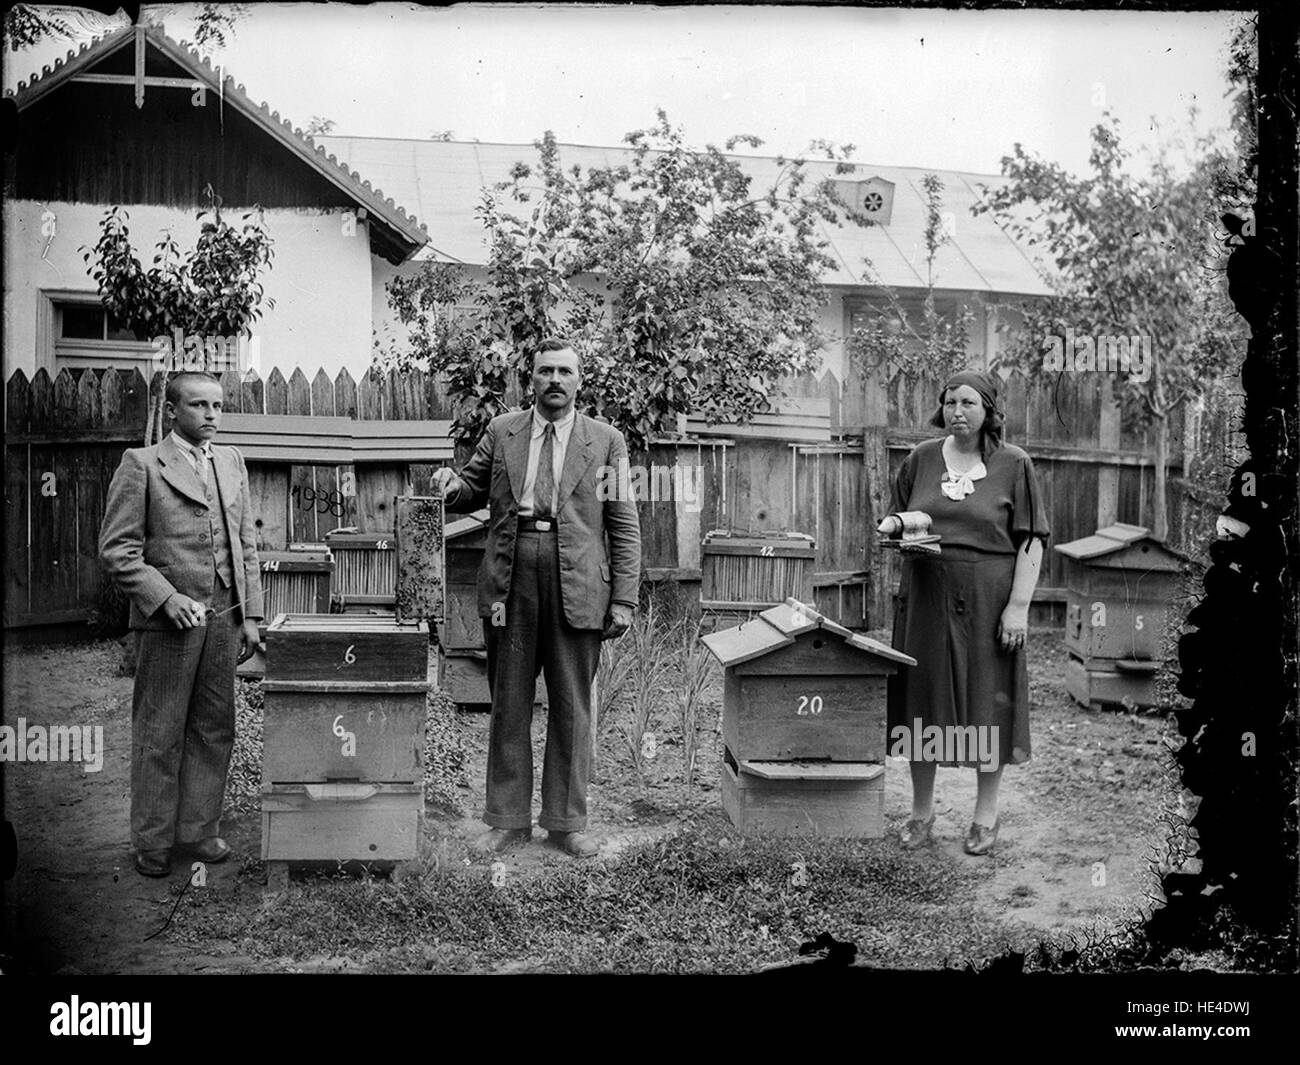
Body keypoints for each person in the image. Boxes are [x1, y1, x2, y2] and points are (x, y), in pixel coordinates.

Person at [433, 337, 641, 859]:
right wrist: (447, 483)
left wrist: (624, 600)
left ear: (578, 380)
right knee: (509, 703)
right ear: (531, 380)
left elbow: (625, 525)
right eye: (545, 371)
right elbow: (470, 489)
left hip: (580, 582)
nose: (554, 380)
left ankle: (566, 823)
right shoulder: (503, 431)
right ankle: (505, 820)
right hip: (512, 573)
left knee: (572, 704)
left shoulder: (607, 441)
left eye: (564, 372)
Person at [99, 371, 263, 877]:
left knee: (215, 728)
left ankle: (199, 830)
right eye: (198, 405)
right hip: (170, 624)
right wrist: (165, 599)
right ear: (172, 411)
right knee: (160, 730)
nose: (211, 415)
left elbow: (246, 544)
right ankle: (152, 840)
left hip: (224, 621)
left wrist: (251, 616)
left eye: (217, 405)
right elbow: (117, 551)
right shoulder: (141, 465)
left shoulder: (232, 462)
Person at [879, 369, 1048, 856]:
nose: (958, 411)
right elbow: (900, 519)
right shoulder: (921, 459)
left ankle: (985, 816)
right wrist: (896, 531)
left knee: (985, 705)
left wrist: (1017, 607)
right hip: (925, 599)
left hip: (988, 601)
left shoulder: (1014, 463)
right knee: (923, 701)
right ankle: (920, 812)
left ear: (989, 410)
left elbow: (1032, 540)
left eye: (969, 403)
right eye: (951, 402)